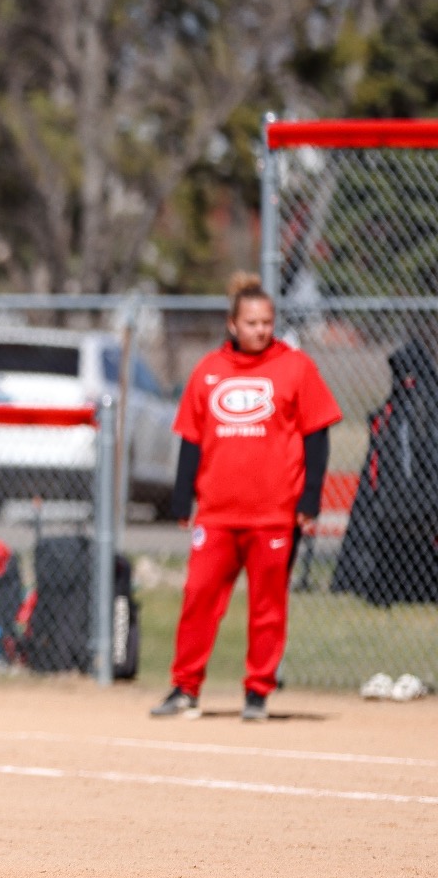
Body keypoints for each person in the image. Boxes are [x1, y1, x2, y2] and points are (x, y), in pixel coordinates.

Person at [151, 274, 340, 722]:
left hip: (273, 515)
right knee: (198, 598)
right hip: (216, 513)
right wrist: (182, 499)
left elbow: (317, 437)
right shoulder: (209, 371)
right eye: (252, 322)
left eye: (267, 322)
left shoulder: (295, 367)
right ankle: (185, 688)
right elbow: (191, 439)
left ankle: (257, 691)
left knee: (267, 607)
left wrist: (309, 502)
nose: (261, 330)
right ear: (232, 324)